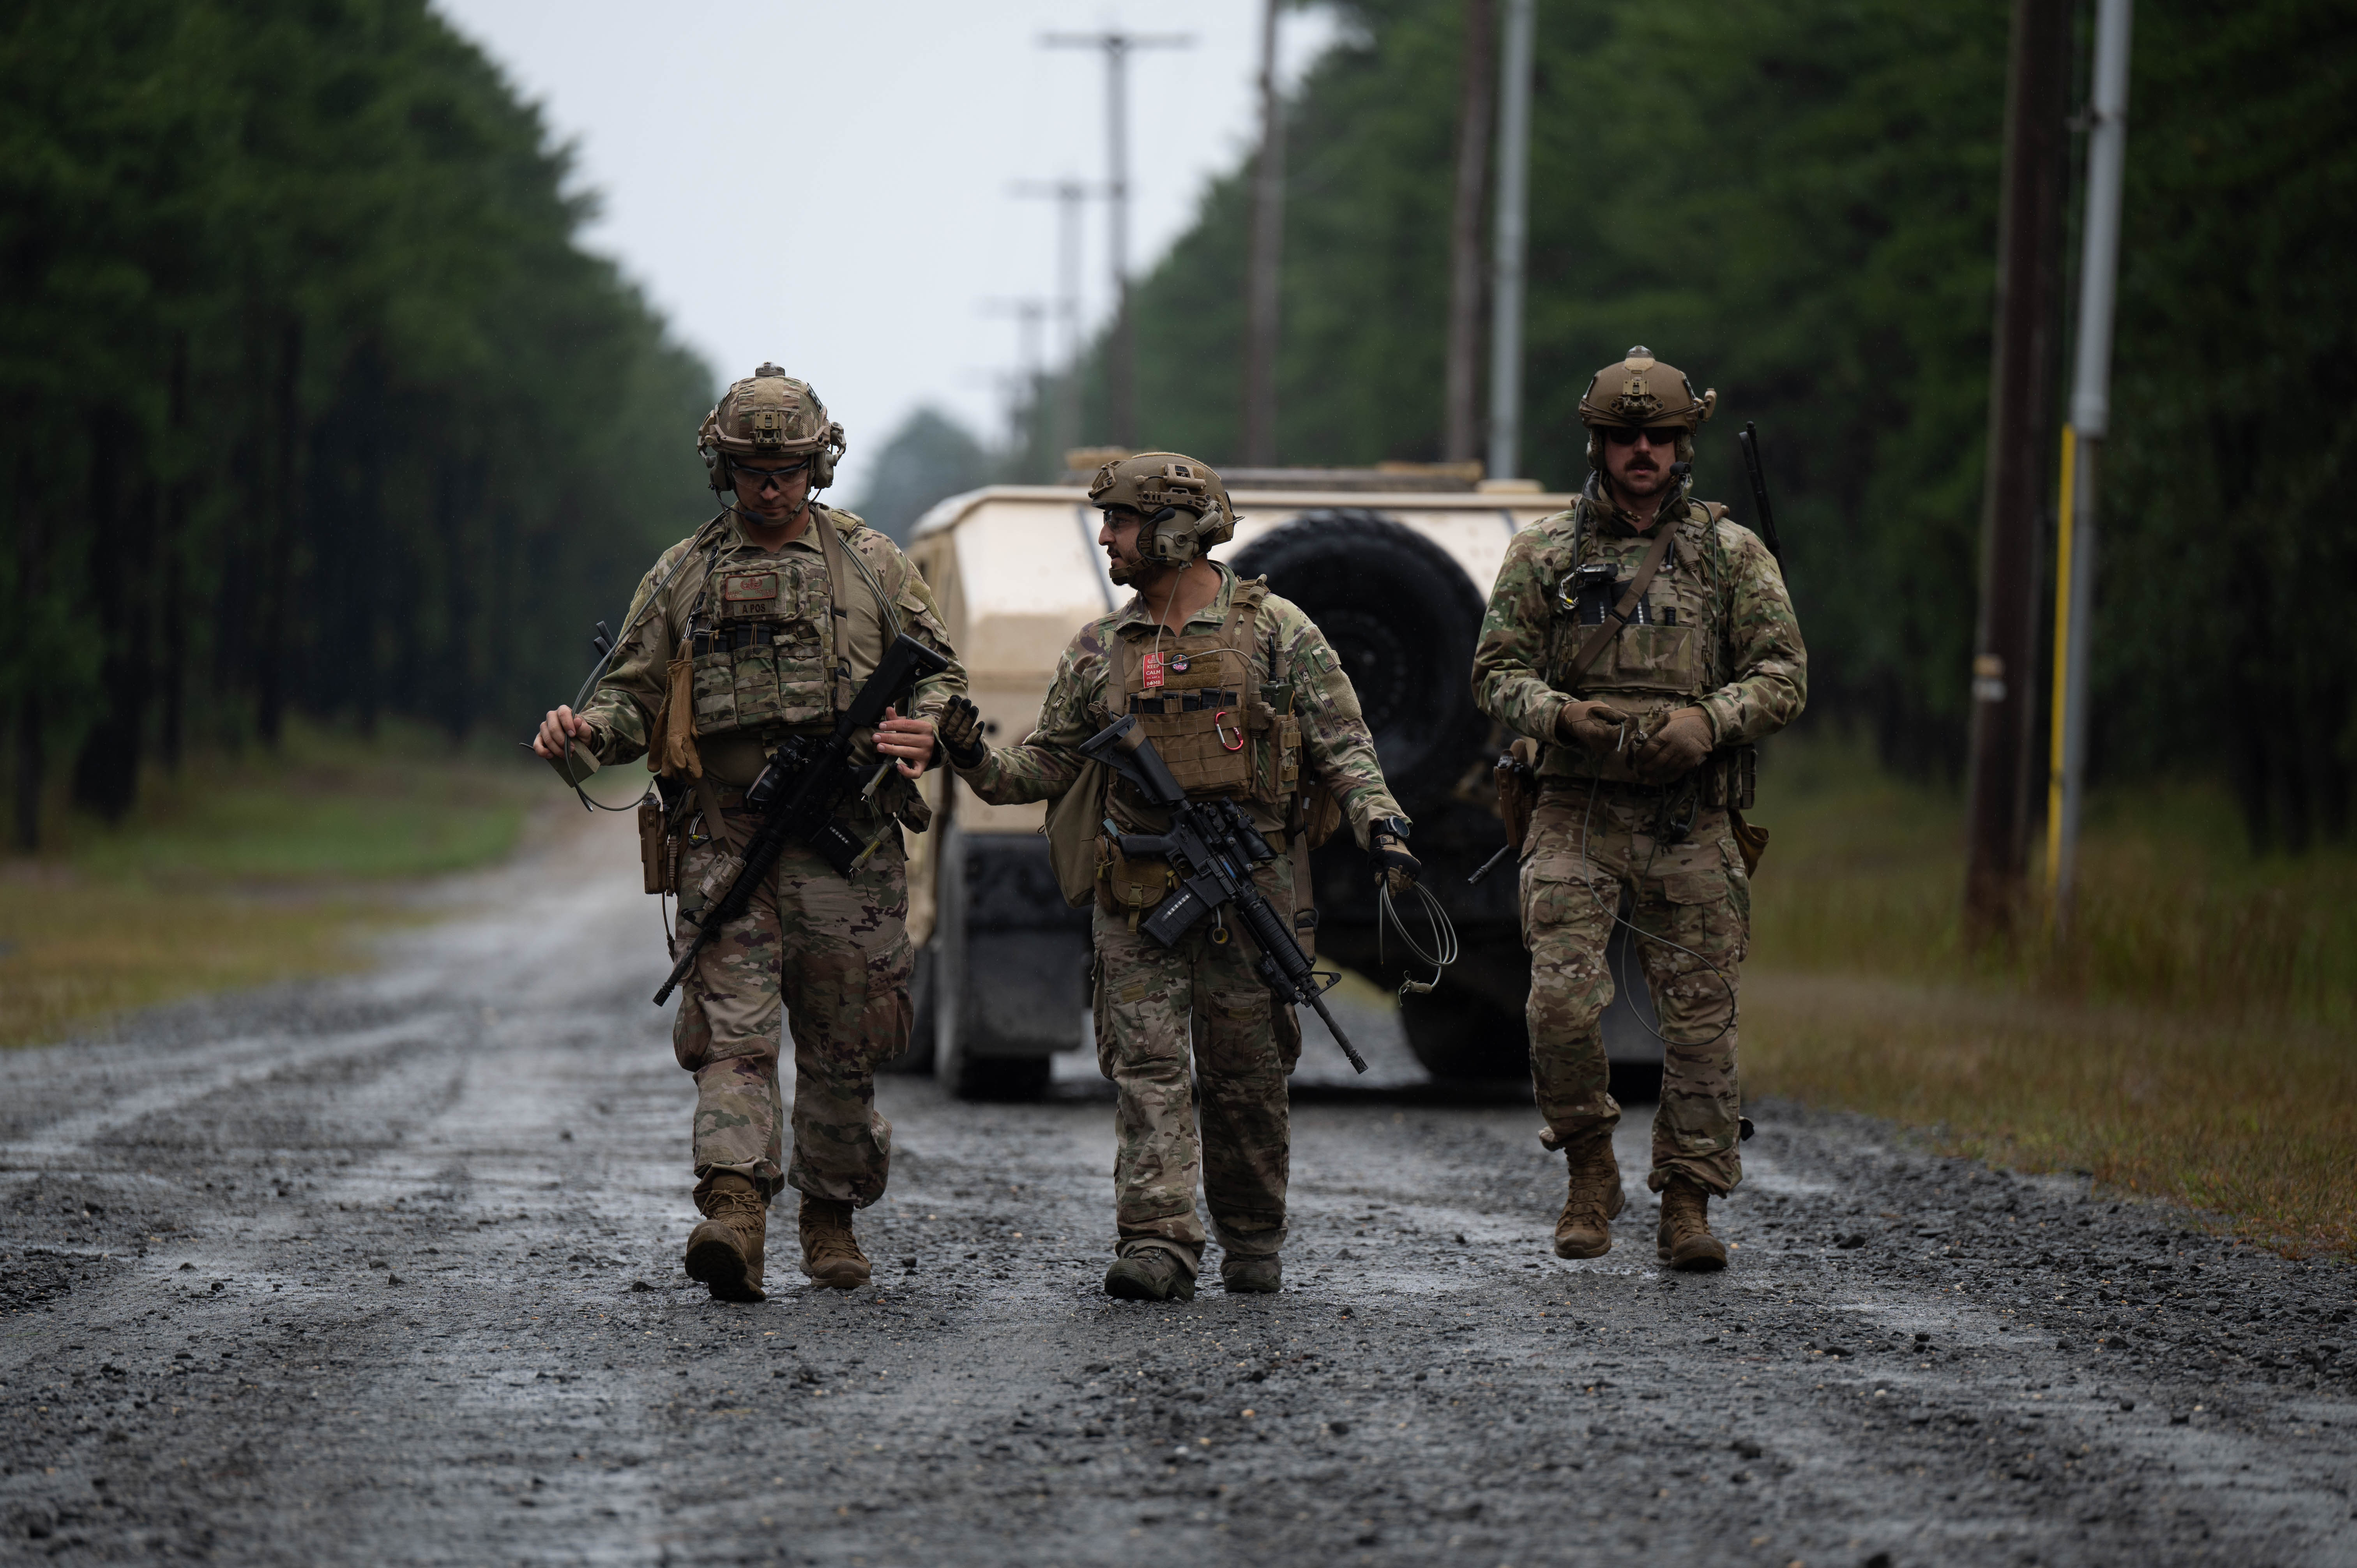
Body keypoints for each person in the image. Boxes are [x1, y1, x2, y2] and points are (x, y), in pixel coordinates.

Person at [935, 453, 1417, 1301]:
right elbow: (1040, 769)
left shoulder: (1277, 631)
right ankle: (1158, 1239)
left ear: (1173, 530)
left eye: (1120, 522)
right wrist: (974, 755)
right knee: (1147, 1066)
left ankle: (1253, 1235)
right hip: (1137, 889)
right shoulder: (1100, 650)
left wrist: (1382, 823)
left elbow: (1345, 743)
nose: (1107, 537)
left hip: (1254, 880)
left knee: (1248, 1075)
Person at [532, 364, 964, 1301]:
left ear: (820, 465)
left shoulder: (872, 564)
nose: (772, 486)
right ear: (722, 469)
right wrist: (582, 735)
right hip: (730, 839)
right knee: (733, 1035)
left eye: (791, 468)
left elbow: (942, 676)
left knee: (844, 1043)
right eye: (752, 469)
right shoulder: (686, 571)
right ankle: (734, 1214)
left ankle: (831, 1215)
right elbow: (629, 692)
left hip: (849, 847)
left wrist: (926, 725)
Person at [1471, 348, 1806, 1270]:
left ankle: (1689, 1202)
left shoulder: (1732, 555)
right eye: (1626, 436)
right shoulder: (1544, 551)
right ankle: (1590, 1167)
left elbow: (1785, 677)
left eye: (1660, 434)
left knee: (1701, 1018)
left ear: (1684, 442)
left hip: (1691, 816)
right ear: (1599, 442)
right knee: (1558, 1005)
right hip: (1575, 807)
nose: (1643, 451)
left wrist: (1711, 720)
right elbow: (1495, 674)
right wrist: (1561, 714)